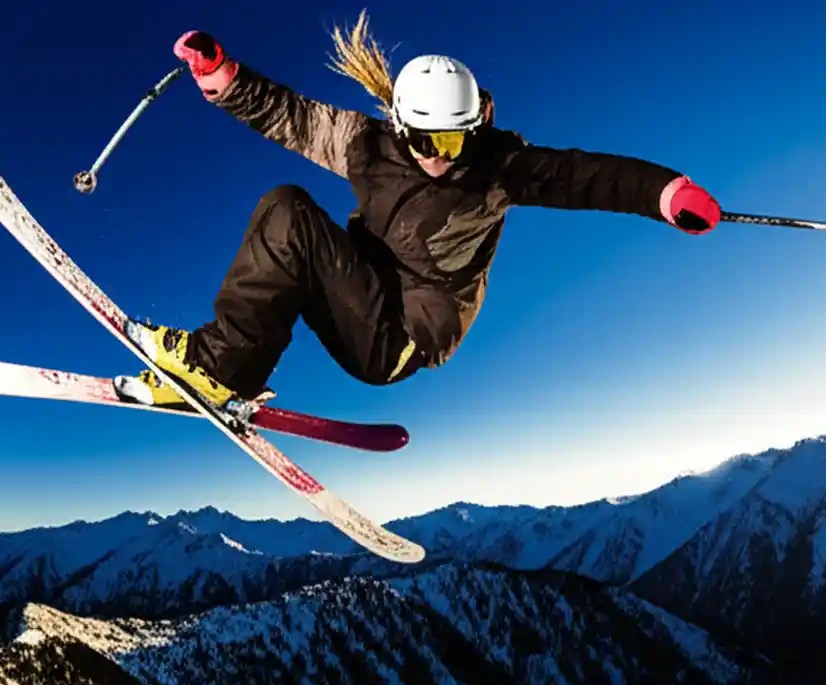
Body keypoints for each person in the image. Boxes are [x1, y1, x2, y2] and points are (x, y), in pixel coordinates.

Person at [118, 11, 721, 409]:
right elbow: (293, 118)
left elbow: (593, 179)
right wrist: (224, 77)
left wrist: (666, 194)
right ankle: (228, 363)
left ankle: (218, 369)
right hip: (361, 292)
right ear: (401, 126)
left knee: (291, 216)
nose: (440, 158)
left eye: (454, 141)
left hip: (401, 338)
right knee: (284, 211)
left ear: (473, 127)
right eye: (426, 142)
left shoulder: (498, 167)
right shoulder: (367, 144)